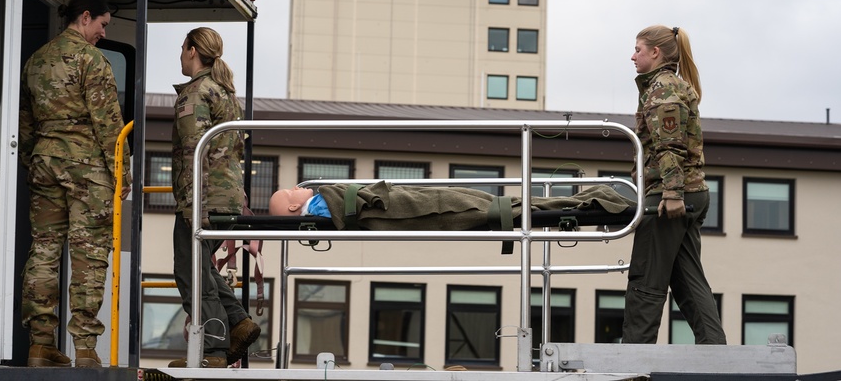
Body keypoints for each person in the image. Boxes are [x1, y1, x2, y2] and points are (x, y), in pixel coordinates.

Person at [18, 0, 131, 368]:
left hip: (44, 163)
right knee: (90, 254)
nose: (102, 33)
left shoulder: (36, 60)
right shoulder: (92, 60)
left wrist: (33, 160)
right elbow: (109, 123)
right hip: (86, 169)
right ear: (85, 17)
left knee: (44, 250)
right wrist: (122, 173)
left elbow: (25, 122)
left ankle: (40, 344)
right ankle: (84, 348)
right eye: (102, 25)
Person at [622, 25, 726, 344]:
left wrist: (671, 193)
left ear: (656, 52)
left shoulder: (662, 88)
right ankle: (716, 354)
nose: (632, 56)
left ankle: (634, 357)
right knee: (688, 281)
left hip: (672, 197)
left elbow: (669, 145)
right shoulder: (668, 85)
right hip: (689, 193)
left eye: (638, 49)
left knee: (647, 279)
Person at [170, 27, 260, 368]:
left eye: (182, 48)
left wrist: (191, 206)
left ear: (193, 51)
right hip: (226, 197)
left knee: (189, 270)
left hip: (203, 199)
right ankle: (237, 322)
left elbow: (195, 151)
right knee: (200, 268)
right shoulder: (224, 91)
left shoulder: (197, 93)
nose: (180, 54)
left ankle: (214, 348)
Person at [268, 181, 636, 230]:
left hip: (413, 200)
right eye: (290, 192)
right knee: (503, 208)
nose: (297, 187)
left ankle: (591, 197)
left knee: (504, 204)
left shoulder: (319, 204)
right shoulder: (318, 209)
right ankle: (591, 199)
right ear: (290, 209)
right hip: (417, 206)